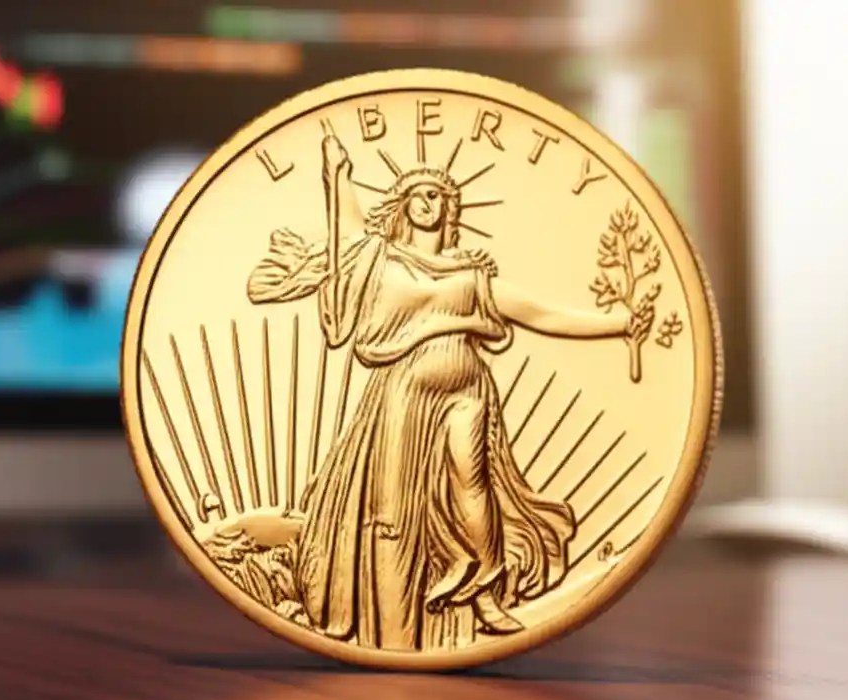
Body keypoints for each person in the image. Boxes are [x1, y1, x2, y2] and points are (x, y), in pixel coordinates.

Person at [246, 130, 651, 650]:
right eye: (418, 194)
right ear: (402, 205)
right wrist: (337, 172)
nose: (428, 202)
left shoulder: (471, 274)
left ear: (450, 208)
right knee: (391, 504)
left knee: (474, 487)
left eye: (438, 195)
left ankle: (483, 589)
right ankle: (390, 618)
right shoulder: (379, 262)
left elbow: (540, 313)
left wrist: (618, 324)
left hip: (467, 387)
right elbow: (348, 229)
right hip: (403, 393)